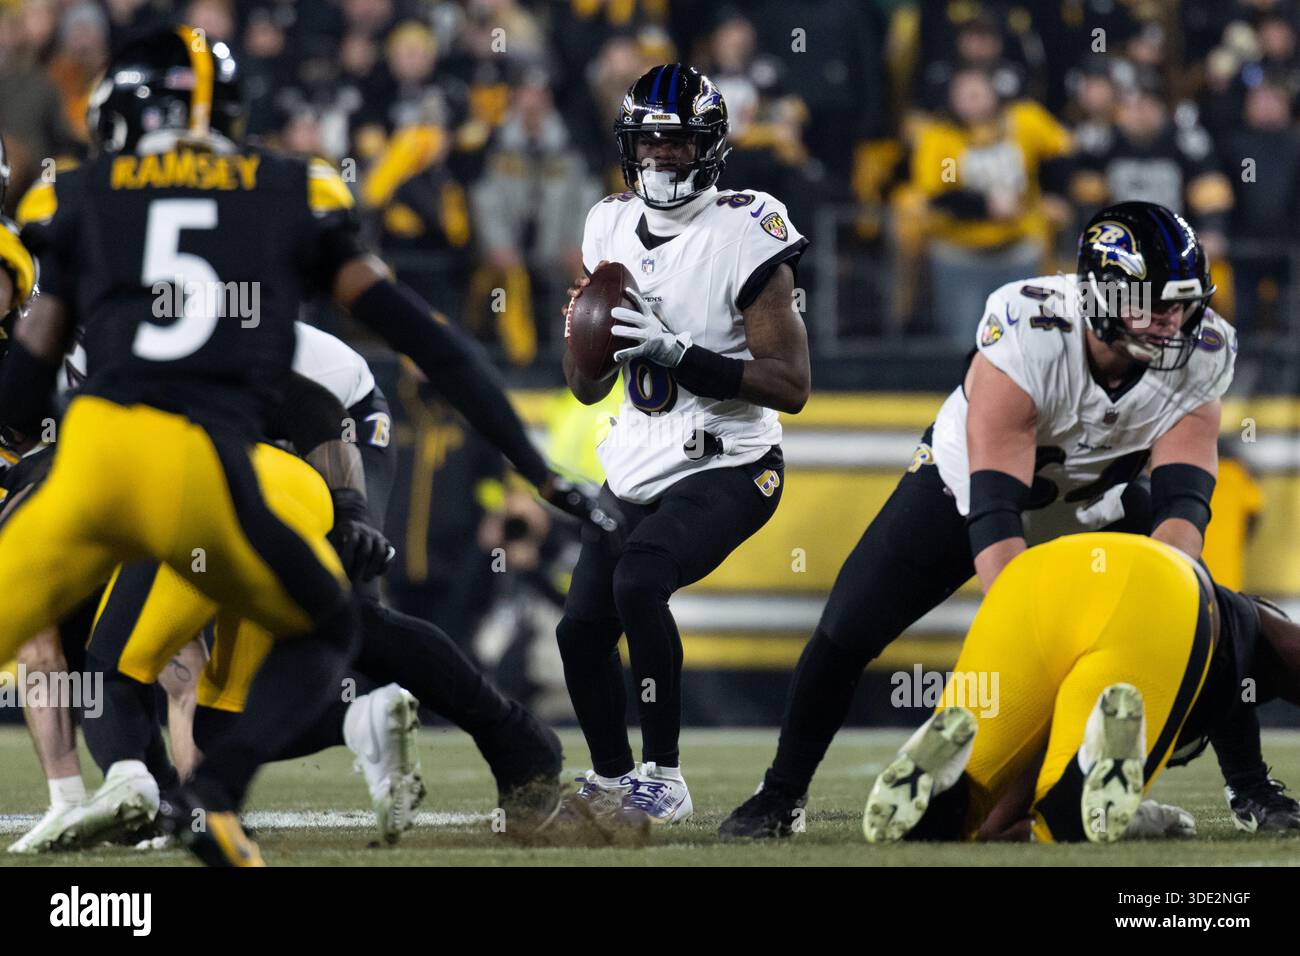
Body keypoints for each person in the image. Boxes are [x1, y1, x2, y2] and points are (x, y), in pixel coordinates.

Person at [0, 25, 609, 866]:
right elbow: (434, 343)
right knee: (315, 637)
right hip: (219, 459)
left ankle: (163, 787)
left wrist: (356, 501)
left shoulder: (75, 207)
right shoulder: (287, 191)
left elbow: (315, 398)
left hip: (301, 435)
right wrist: (534, 466)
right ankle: (208, 797)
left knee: (163, 656)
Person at [722, 200, 1253, 839]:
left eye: (1184, 303)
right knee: (846, 632)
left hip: (1093, 503)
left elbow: (1182, 511)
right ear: (1100, 296)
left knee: (1207, 612)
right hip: (965, 488)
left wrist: (1164, 620)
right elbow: (995, 507)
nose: (1173, 323)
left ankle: (1252, 787)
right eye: (1153, 303)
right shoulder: (1029, 325)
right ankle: (780, 795)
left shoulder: (1204, 351)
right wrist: (1036, 644)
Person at [556, 64, 810, 824]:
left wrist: (679, 354)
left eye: (679, 142)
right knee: (578, 634)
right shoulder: (604, 223)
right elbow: (584, 387)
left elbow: (792, 385)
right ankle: (609, 781)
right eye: (651, 143)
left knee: (639, 582)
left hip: (730, 460)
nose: (663, 157)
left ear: (711, 147)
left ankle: (662, 778)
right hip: (637, 457)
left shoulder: (747, 226)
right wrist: (586, 332)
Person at [863, 532, 1216, 844]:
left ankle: (939, 788)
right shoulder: (1238, 620)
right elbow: (1180, 528)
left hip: (1026, 579)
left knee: (958, 813)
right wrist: (1251, 784)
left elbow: (992, 512)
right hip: (1153, 584)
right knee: (1068, 827)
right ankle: (1087, 767)